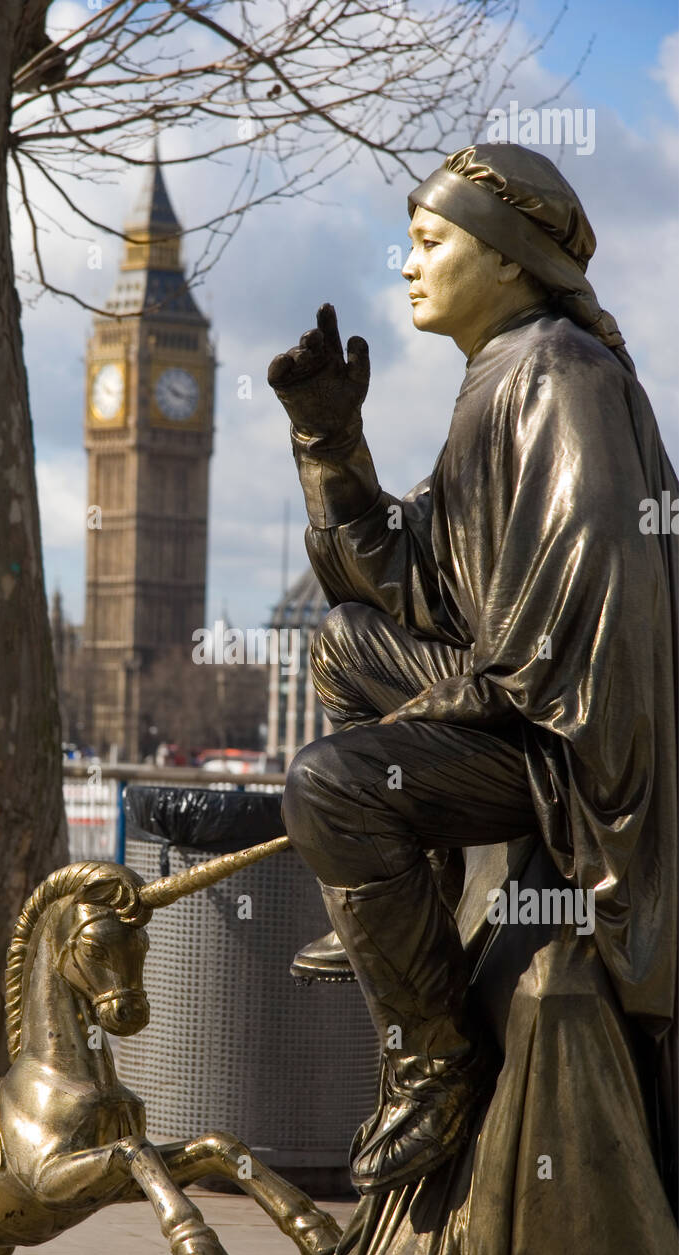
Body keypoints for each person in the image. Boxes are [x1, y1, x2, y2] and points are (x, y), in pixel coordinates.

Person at [268, 144, 678, 1201]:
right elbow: (413, 586)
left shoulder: (562, 377)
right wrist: (328, 439)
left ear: (505, 258)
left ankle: (432, 1058)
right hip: (517, 703)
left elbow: (588, 618)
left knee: (331, 784)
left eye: (428, 242)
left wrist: (446, 701)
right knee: (342, 647)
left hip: (573, 755)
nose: (405, 266)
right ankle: (417, 889)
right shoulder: (499, 375)